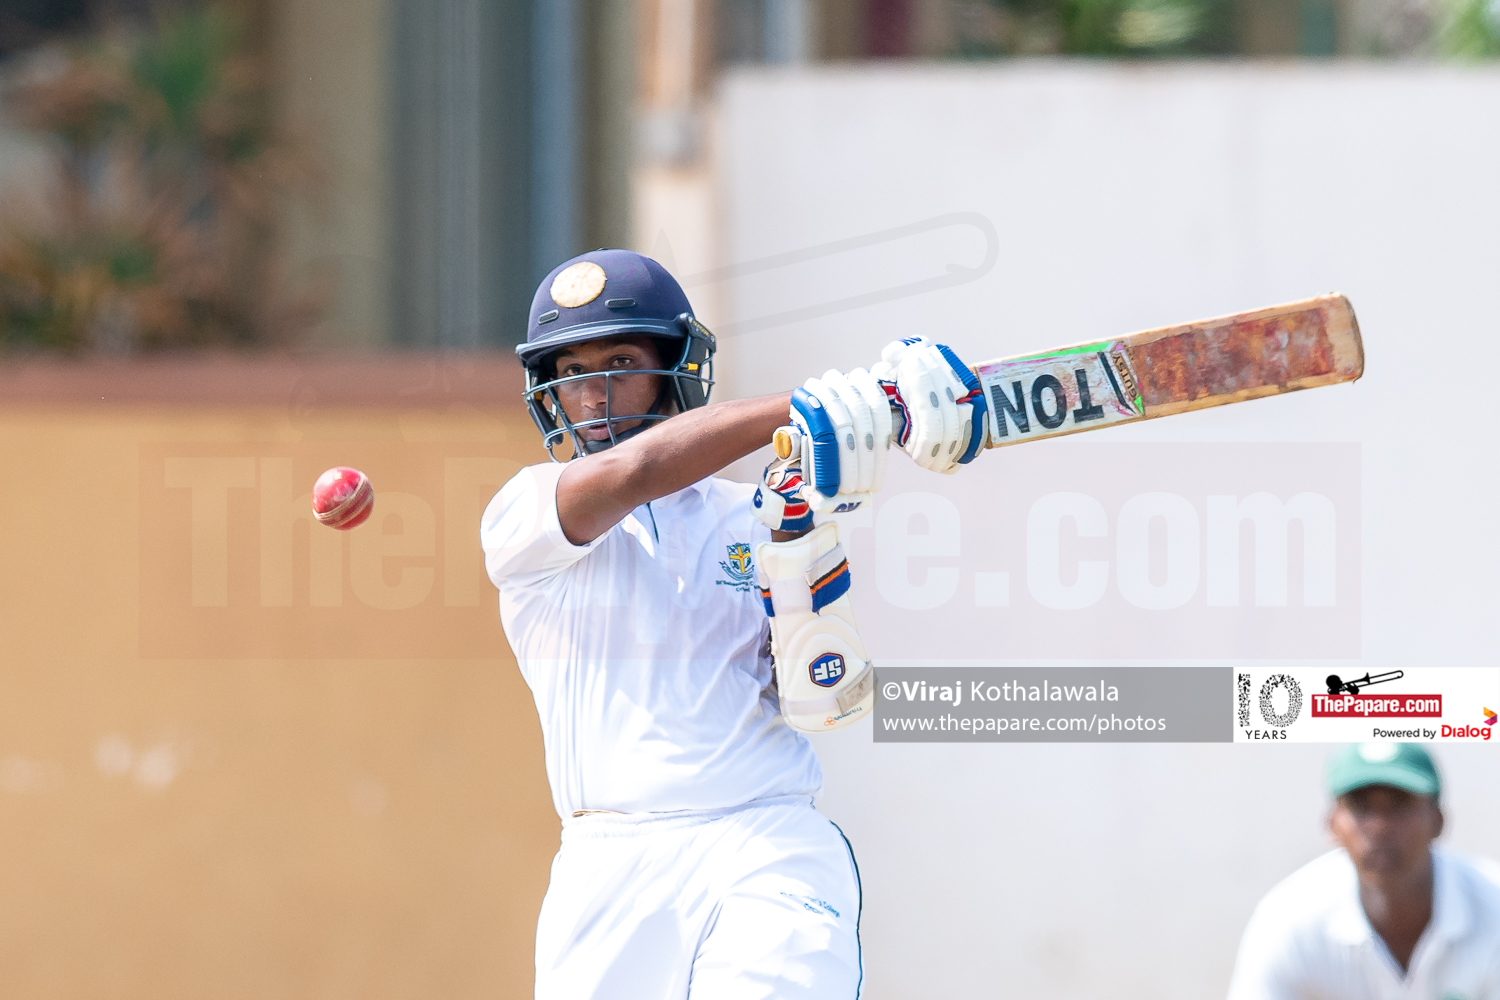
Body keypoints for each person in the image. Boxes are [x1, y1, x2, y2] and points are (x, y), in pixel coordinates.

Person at [480, 249, 986, 999]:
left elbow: (824, 698)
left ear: (676, 366)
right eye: (573, 371)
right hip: (607, 866)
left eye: (620, 360)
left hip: (764, 844)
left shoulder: (750, 514)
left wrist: (801, 544)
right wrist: (827, 402)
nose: (595, 392)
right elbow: (635, 474)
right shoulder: (525, 511)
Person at [1226, 742, 1500, 1000]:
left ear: (1438, 821)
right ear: (1331, 825)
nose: (1379, 826)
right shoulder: (1288, 921)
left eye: (1400, 804)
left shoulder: (1493, 903)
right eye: (1360, 806)